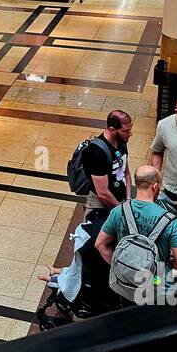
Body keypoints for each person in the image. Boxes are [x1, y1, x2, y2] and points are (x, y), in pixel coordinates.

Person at [95, 165, 177, 352]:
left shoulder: (120, 211)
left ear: (137, 184)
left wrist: (120, 269)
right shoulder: (169, 221)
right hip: (155, 289)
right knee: (160, 342)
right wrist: (159, 279)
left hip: (125, 288)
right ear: (156, 186)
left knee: (128, 334)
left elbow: (100, 244)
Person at [70, 110, 132, 314]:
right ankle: (91, 297)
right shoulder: (95, 152)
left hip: (119, 202)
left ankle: (111, 290)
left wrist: (128, 200)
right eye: (126, 131)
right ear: (112, 129)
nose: (130, 134)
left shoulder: (121, 142)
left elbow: (126, 172)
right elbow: (103, 193)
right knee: (97, 249)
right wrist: (123, 211)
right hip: (101, 206)